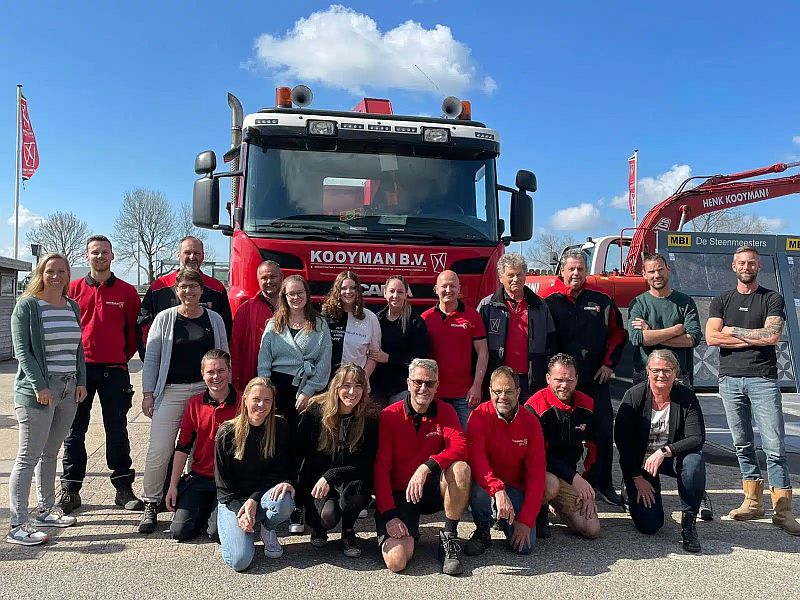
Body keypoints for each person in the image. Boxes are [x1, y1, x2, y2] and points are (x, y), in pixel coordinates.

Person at [705, 245, 800, 535]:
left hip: (764, 380)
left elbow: (772, 335)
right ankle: (752, 502)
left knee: (774, 447)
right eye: (741, 263)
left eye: (752, 263)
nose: (746, 267)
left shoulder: (772, 298)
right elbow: (710, 337)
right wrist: (751, 338)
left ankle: (783, 511)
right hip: (729, 380)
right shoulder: (721, 300)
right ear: (733, 267)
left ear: (759, 267)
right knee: (742, 444)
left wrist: (732, 331)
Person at [138, 268, 229, 534]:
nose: (188, 292)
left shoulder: (214, 319)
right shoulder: (165, 319)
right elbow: (152, 357)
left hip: (205, 390)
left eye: (193, 287)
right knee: (160, 449)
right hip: (172, 390)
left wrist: (225, 389)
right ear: (176, 291)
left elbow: (223, 356)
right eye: (183, 287)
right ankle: (151, 502)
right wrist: (148, 393)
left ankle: (190, 497)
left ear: (202, 290)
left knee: (202, 447)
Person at [58, 235, 143, 515]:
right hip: (78, 372)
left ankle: (123, 489)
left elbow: (133, 334)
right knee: (74, 430)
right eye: (94, 252)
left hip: (114, 371)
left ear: (112, 256)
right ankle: (71, 489)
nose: (100, 256)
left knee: (117, 429)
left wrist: (120, 356)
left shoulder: (128, 293)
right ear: (87, 257)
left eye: (104, 252)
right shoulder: (71, 290)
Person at [7, 253, 87, 546]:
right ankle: (17, 523)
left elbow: (79, 348)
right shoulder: (27, 306)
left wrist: (81, 380)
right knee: (27, 456)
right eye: (50, 271)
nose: (56, 276)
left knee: (51, 454)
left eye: (62, 271)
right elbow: (23, 351)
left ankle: (45, 509)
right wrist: (40, 386)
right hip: (37, 391)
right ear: (40, 273)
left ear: (68, 275)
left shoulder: (72, 306)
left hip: (68, 389)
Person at [540, 252, 627, 505]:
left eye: (580, 269)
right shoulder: (549, 303)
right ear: (562, 272)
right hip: (561, 386)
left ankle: (601, 482)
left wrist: (609, 364)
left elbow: (618, 335)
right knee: (558, 435)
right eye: (571, 269)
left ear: (586, 271)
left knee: (601, 431)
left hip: (593, 381)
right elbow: (543, 342)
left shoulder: (602, 301)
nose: (575, 273)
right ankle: (560, 483)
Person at [374, 358, 470, 576]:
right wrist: (389, 515)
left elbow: (461, 446)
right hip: (401, 494)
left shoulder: (445, 411)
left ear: (437, 385)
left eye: (429, 383)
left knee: (461, 469)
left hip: (430, 489)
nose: (423, 388)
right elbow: (380, 469)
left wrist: (427, 466)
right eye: (418, 382)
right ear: (408, 383)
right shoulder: (389, 416)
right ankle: (408, 532)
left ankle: (449, 537)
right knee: (396, 562)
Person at [258, 274, 332, 534]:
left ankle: (300, 503)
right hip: (277, 391)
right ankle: (276, 500)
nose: (296, 298)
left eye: (300, 293)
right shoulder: (273, 325)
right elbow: (264, 362)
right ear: (284, 296)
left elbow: (324, 364)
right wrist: (267, 393)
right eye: (291, 294)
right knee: (279, 445)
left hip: (306, 391)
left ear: (307, 295)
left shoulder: (319, 324)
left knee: (303, 448)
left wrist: (309, 391)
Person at [614, 350, 707, 552]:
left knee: (694, 463)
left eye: (667, 370)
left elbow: (697, 438)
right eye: (656, 370)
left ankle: (689, 523)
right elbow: (622, 441)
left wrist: (665, 450)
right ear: (647, 372)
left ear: (676, 373)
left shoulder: (686, 397)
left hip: (671, 457)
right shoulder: (634, 396)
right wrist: (636, 477)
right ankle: (628, 487)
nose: (661, 375)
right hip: (642, 463)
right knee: (650, 526)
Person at [296, 364, 378, 558]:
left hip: (352, 476)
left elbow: (366, 463)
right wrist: (305, 502)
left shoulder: (370, 416)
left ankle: (348, 531)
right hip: (319, 479)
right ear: (336, 387)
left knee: (358, 492)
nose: (352, 392)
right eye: (346, 385)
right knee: (327, 518)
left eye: (358, 386)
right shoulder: (315, 412)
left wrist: (331, 475)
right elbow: (302, 458)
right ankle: (318, 526)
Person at [463, 367, 546, 556]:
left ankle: (507, 517)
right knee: (474, 480)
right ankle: (483, 528)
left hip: (514, 485)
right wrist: (498, 491)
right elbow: (478, 461)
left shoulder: (530, 422)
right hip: (486, 484)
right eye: (497, 392)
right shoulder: (478, 416)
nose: (502, 397)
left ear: (518, 392)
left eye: (508, 391)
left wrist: (525, 521)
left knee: (524, 548)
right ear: (490, 391)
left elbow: (537, 474)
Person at [215, 377, 295, 571]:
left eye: (267, 400)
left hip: (263, 495)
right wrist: (240, 511)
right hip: (232, 499)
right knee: (240, 562)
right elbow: (222, 486)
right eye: (256, 399)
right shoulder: (227, 432)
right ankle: (238, 528)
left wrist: (254, 500)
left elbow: (280, 471)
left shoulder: (280, 427)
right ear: (245, 400)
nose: (261, 405)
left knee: (284, 500)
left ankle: (267, 529)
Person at [165, 349, 240, 541]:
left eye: (221, 371)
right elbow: (183, 446)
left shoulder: (243, 403)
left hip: (229, 481)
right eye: (210, 372)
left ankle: (214, 513)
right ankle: (203, 508)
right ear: (203, 375)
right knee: (179, 532)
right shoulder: (194, 404)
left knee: (216, 534)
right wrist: (173, 486)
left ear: (229, 371)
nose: (216, 376)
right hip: (200, 477)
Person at [527, 354, 601, 540]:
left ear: (576, 380)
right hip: (539, 473)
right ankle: (539, 510)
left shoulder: (587, 405)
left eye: (569, 380)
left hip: (569, 475)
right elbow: (538, 456)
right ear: (548, 379)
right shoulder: (534, 408)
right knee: (550, 484)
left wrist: (587, 483)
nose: (564, 385)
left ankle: (557, 506)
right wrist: (575, 478)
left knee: (592, 529)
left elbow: (595, 447)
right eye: (559, 380)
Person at [137, 235, 231, 359]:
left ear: (203, 256)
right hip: (167, 364)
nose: (192, 257)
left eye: (196, 253)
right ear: (178, 255)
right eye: (187, 252)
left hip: (207, 367)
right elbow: (144, 324)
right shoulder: (159, 287)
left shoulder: (216, 288)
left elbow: (226, 328)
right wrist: (148, 355)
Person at [478, 253, 555, 401]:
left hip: (530, 381)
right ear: (501, 277)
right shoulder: (487, 306)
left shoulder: (540, 306)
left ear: (525, 275)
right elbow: (476, 347)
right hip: (498, 380)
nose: (516, 279)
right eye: (510, 275)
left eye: (519, 274)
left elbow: (551, 344)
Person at [421, 270, 488, 431]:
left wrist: (477, 386)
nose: (448, 290)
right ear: (436, 289)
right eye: (444, 286)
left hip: (464, 396)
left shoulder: (472, 316)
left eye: (453, 286)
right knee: (435, 441)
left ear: (459, 290)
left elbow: (483, 352)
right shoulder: (425, 318)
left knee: (468, 438)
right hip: (434, 394)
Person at [628, 253, 702, 387]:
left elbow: (693, 339)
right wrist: (675, 331)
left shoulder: (685, 302)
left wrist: (651, 334)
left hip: (678, 375)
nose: (656, 275)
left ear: (668, 269)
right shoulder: (638, 303)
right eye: (651, 271)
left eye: (660, 269)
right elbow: (637, 338)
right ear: (644, 274)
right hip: (645, 374)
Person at [370, 275, 429, 407]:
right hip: (377, 388)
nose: (395, 295)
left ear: (406, 295)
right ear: (385, 293)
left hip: (402, 387)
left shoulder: (416, 323)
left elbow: (420, 360)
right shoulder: (376, 320)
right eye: (391, 291)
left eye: (400, 292)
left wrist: (389, 358)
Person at [230, 260, 283, 391]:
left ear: (282, 277)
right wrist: (235, 380)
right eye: (264, 278)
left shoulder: (295, 307)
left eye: (273, 277)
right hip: (254, 378)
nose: (269, 281)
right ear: (258, 280)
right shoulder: (245, 309)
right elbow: (235, 347)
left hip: (287, 378)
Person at [321, 270, 381, 384]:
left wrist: (363, 377)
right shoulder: (326, 316)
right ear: (337, 290)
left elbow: (374, 355)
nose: (348, 291)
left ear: (358, 290)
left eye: (352, 288)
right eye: (343, 288)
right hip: (328, 383)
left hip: (356, 385)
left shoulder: (370, 317)